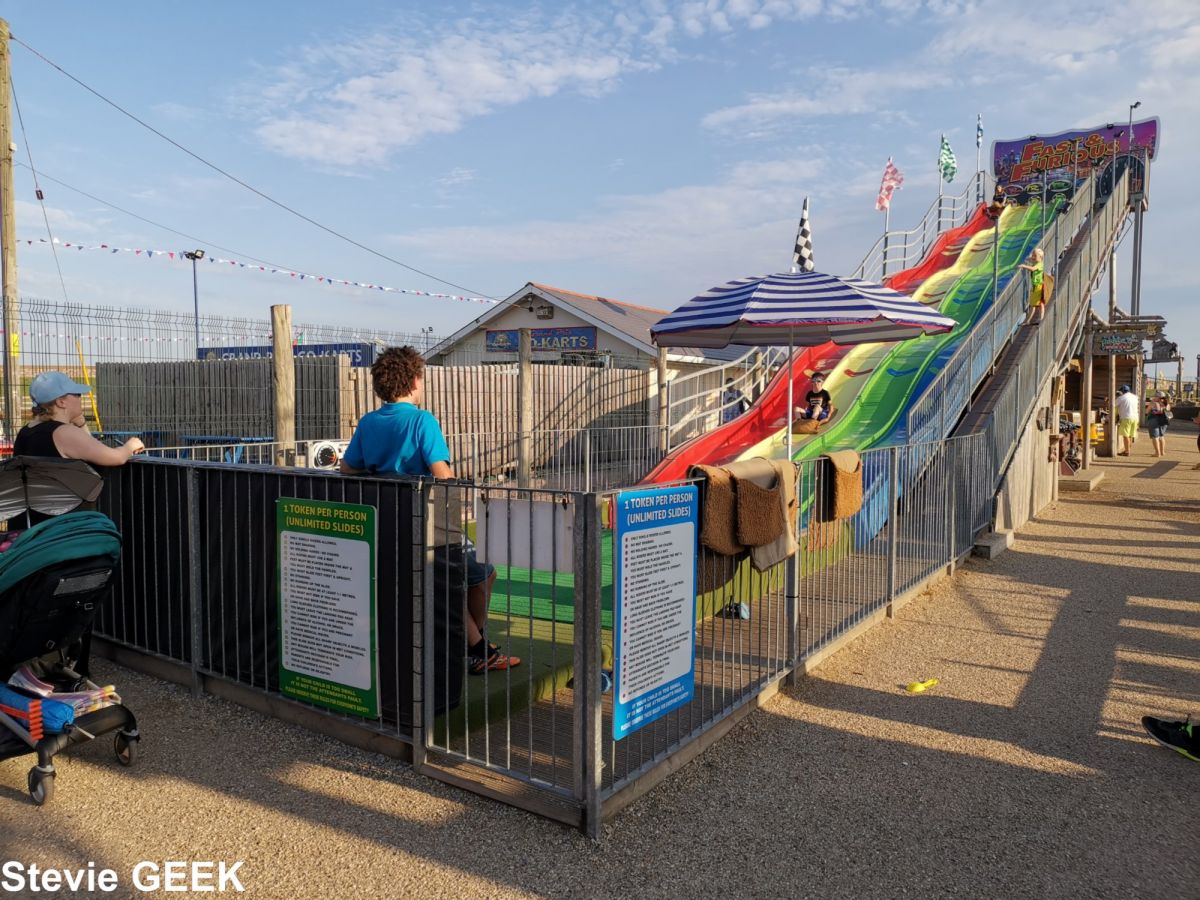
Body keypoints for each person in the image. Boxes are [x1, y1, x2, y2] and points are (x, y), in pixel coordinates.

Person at [339, 346, 519, 675]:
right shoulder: (423, 421)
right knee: (483, 573)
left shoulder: (368, 422)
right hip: (429, 521)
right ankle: (474, 647)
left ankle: (473, 644)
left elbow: (348, 469)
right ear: (414, 382)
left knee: (440, 580)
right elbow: (442, 475)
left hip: (388, 520)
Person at [14, 372, 145, 465]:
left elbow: (90, 450)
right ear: (61, 402)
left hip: (36, 503)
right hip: (67, 503)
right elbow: (115, 457)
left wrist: (81, 424)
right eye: (76, 394)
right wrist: (130, 446)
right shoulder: (64, 432)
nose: (80, 398)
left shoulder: (26, 431)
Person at [1018, 248, 1046, 324]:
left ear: (1040, 257)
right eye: (1033, 255)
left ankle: (1028, 320)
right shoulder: (1036, 261)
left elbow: (1033, 269)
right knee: (1040, 303)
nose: (1033, 257)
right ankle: (1041, 318)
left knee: (1033, 304)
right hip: (1037, 286)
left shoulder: (1039, 265)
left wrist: (1024, 266)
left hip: (1037, 287)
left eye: (1035, 256)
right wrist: (1030, 257)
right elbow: (1030, 259)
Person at [1115, 384, 1139, 456]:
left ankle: (1127, 451)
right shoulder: (1135, 397)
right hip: (1135, 418)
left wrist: (1107, 401)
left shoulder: (1121, 398)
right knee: (1130, 435)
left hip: (1126, 418)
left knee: (1126, 435)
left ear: (1122, 391)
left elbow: (1113, 405)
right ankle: (1128, 449)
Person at [1145, 390, 1171, 458]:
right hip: (1164, 421)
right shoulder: (1167, 404)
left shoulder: (1154, 403)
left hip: (1154, 420)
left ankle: (1157, 453)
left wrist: (1151, 403)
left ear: (1158, 397)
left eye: (1155, 396)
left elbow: (1147, 411)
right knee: (1161, 436)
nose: (1154, 397)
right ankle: (1162, 452)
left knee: (1155, 437)